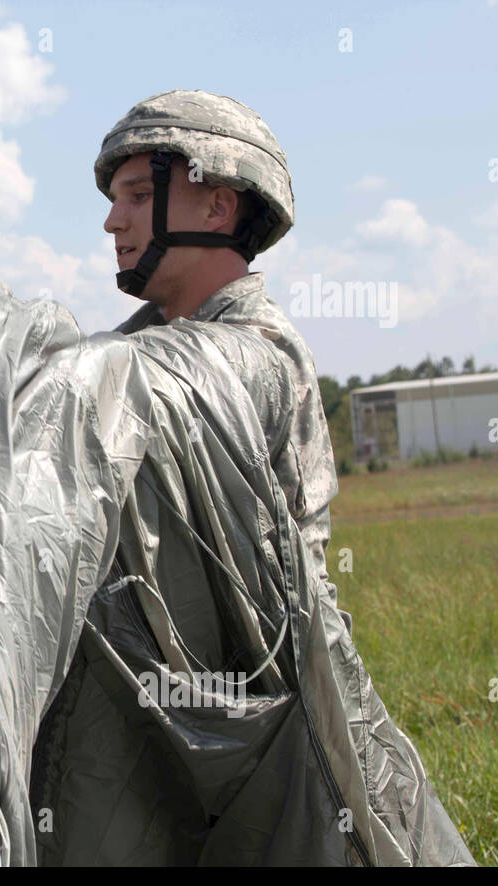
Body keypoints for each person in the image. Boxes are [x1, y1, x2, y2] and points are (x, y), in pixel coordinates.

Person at [95, 89, 348, 624]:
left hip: (237, 687)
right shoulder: (126, 348)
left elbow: (303, 591)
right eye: (115, 200)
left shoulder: (260, 352)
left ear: (216, 207)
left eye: (138, 196)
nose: (113, 221)